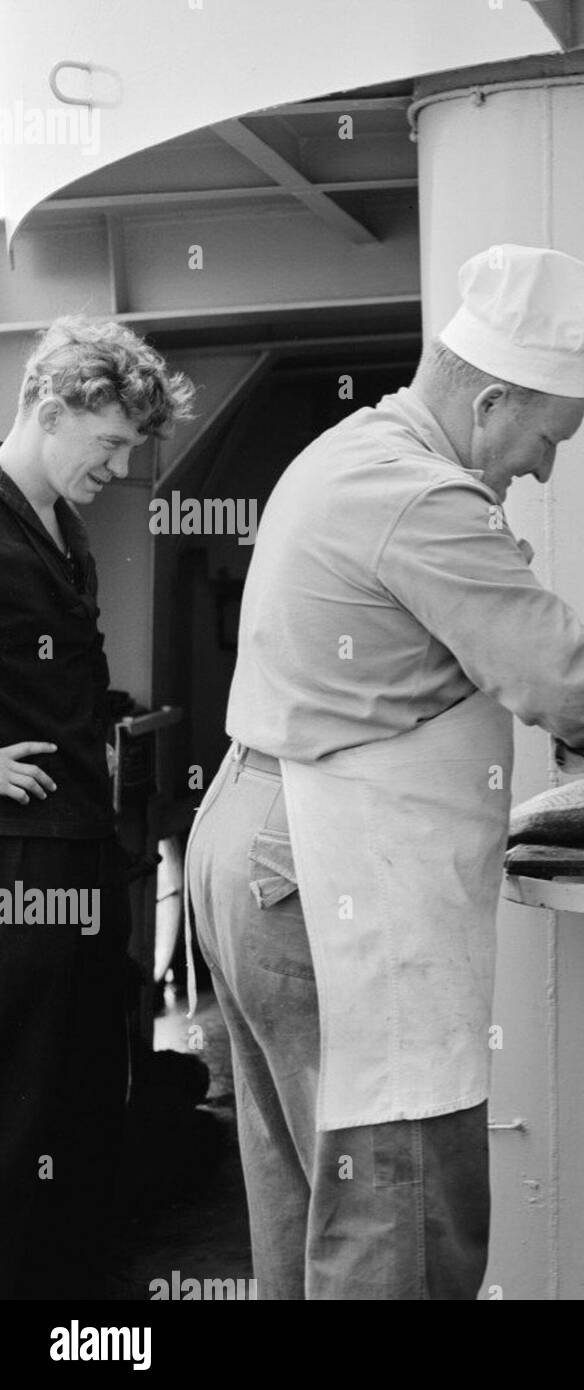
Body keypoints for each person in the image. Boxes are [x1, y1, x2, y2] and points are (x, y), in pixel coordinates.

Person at [186, 244, 584, 1300]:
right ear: (489, 401)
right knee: (397, 1210)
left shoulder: (352, 452)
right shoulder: (420, 495)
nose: (542, 467)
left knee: (309, 1201)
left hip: (259, 849)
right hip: (329, 879)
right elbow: (562, 678)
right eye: (543, 437)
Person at [0, 316, 194, 1298]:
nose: (119, 468)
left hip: (79, 849)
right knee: (23, 1106)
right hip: (18, 862)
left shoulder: (62, 533)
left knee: (83, 1093)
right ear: (47, 408)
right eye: (109, 443)